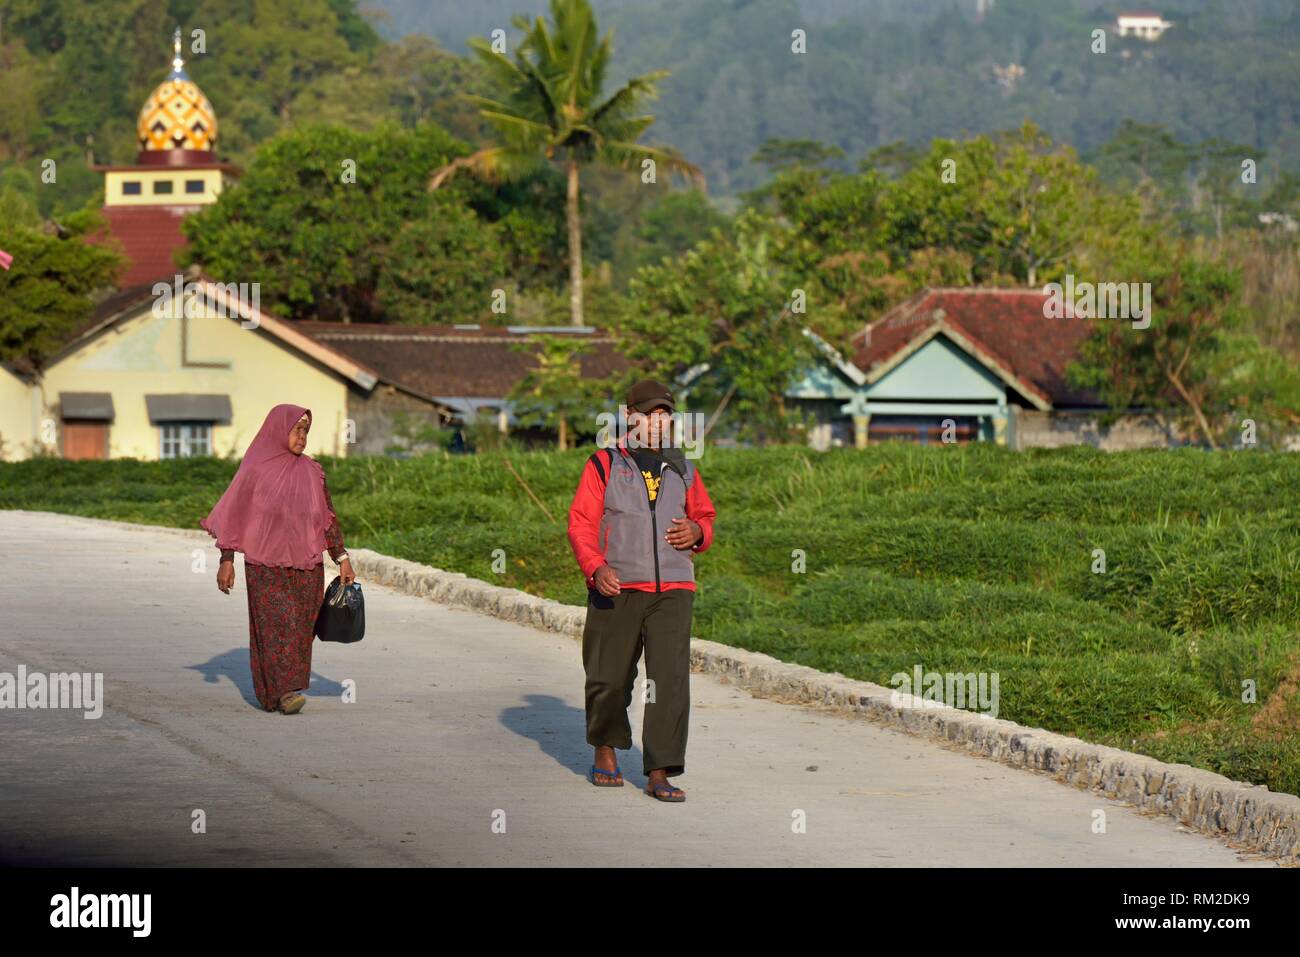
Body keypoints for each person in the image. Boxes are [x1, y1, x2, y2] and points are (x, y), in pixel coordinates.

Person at [567, 379, 716, 802]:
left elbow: (704, 516)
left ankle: (659, 770)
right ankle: (606, 748)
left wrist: (698, 531)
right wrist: (595, 568)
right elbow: (581, 523)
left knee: (669, 681)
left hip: (673, 587)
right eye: (649, 413)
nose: (657, 421)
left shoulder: (683, 467)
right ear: (628, 415)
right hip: (616, 585)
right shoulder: (603, 464)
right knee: (608, 677)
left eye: (665, 414)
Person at [201, 404, 355, 714]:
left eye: (306, 431)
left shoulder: (313, 472)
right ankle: (285, 692)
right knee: (275, 626)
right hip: (265, 565)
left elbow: (327, 519)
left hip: (307, 566)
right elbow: (234, 513)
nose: (303, 437)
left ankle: (279, 691)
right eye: (297, 430)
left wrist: (342, 558)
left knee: (300, 629)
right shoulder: (256, 470)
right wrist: (226, 560)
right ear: (278, 429)